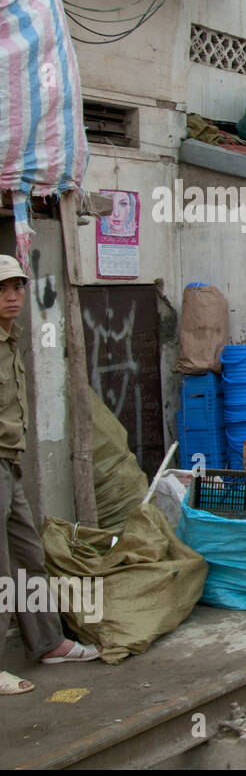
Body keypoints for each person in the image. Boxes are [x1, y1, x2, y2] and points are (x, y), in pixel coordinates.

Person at [1, 255, 101, 696]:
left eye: (18, 288)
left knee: (29, 555)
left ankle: (47, 641)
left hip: (9, 463)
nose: (12, 297)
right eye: (3, 290)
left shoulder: (10, 338)